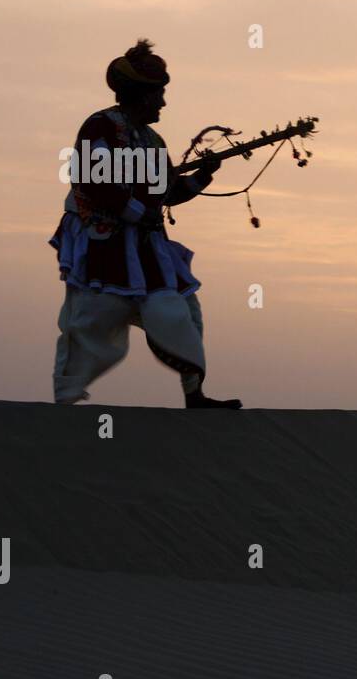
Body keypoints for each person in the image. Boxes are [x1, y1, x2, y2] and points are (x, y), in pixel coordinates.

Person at [50, 39, 241, 409]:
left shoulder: (153, 141)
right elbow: (93, 179)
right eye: (159, 94)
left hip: (145, 248)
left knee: (184, 310)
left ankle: (194, 394)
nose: (164, 103)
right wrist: (137, 212)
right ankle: (65, 401)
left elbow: (166, 194)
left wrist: (203, 177)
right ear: (141, 95)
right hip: (103, 244)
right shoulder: (101, 126)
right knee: (90, 321)